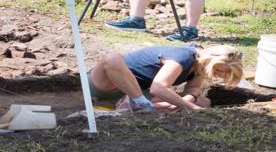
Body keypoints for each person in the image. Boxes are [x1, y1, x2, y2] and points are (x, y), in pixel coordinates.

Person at [86, 43, 243, 113]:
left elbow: (193, 89)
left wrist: (189, 100)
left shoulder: (199, 65)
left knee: (203, 101)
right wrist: (191, 108)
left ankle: (134, 104)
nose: (220, 75)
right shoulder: (183, 56)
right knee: (113, 58)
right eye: (219, 70)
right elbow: (158, 87)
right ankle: (140, 104)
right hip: (105, 86)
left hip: (136, 92)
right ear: (210, 59)